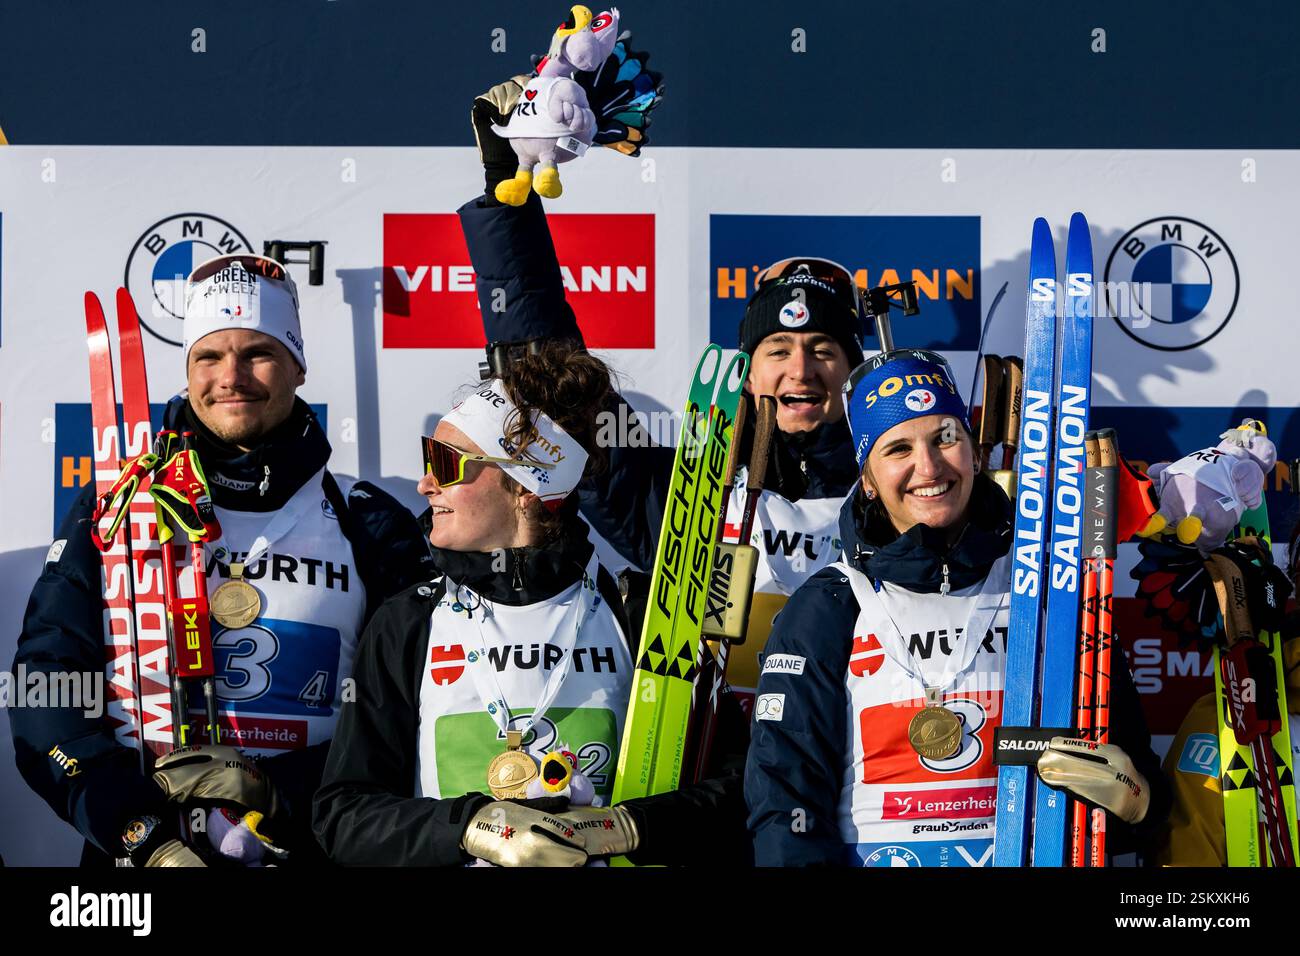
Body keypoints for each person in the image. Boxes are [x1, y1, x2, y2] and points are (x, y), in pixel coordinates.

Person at [12, 253, 434, 867]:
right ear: (188, 374)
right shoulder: (117, 506)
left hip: (315, 844)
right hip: (147, 853)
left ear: (298, 365)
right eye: (208, 357)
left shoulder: (366, 520)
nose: (230, 376)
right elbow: (45, 688)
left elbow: (413, 710)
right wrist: (139, 835)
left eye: (258, 353)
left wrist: (279, 792)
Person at [463, 80, 867, 705]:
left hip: (858, 775)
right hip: (722, 765)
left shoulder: (898, 483)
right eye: (778, 351)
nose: (801, 371)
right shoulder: (687, 496)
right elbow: (556, 382)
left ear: (852, 369)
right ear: (748, 371)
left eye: (824, 351)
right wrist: (507, 199)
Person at [312, 342, 750, 866]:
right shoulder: (408, 621)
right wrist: (469, 827)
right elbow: (344, 815)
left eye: (446, 463)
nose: (426, 483)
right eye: (428, 457)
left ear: (526, 487)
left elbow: (738, 792)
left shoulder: (640, 613)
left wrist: (625, 827)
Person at [744, 349, 1171, 866]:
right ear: (869, 481)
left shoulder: (1047, 592)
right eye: (898, 448)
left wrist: (1136, 803)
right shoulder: (829, 605)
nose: (928, 466)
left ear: (972, 450)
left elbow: (1129, 790)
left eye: (945, 437)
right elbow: (787, 809)